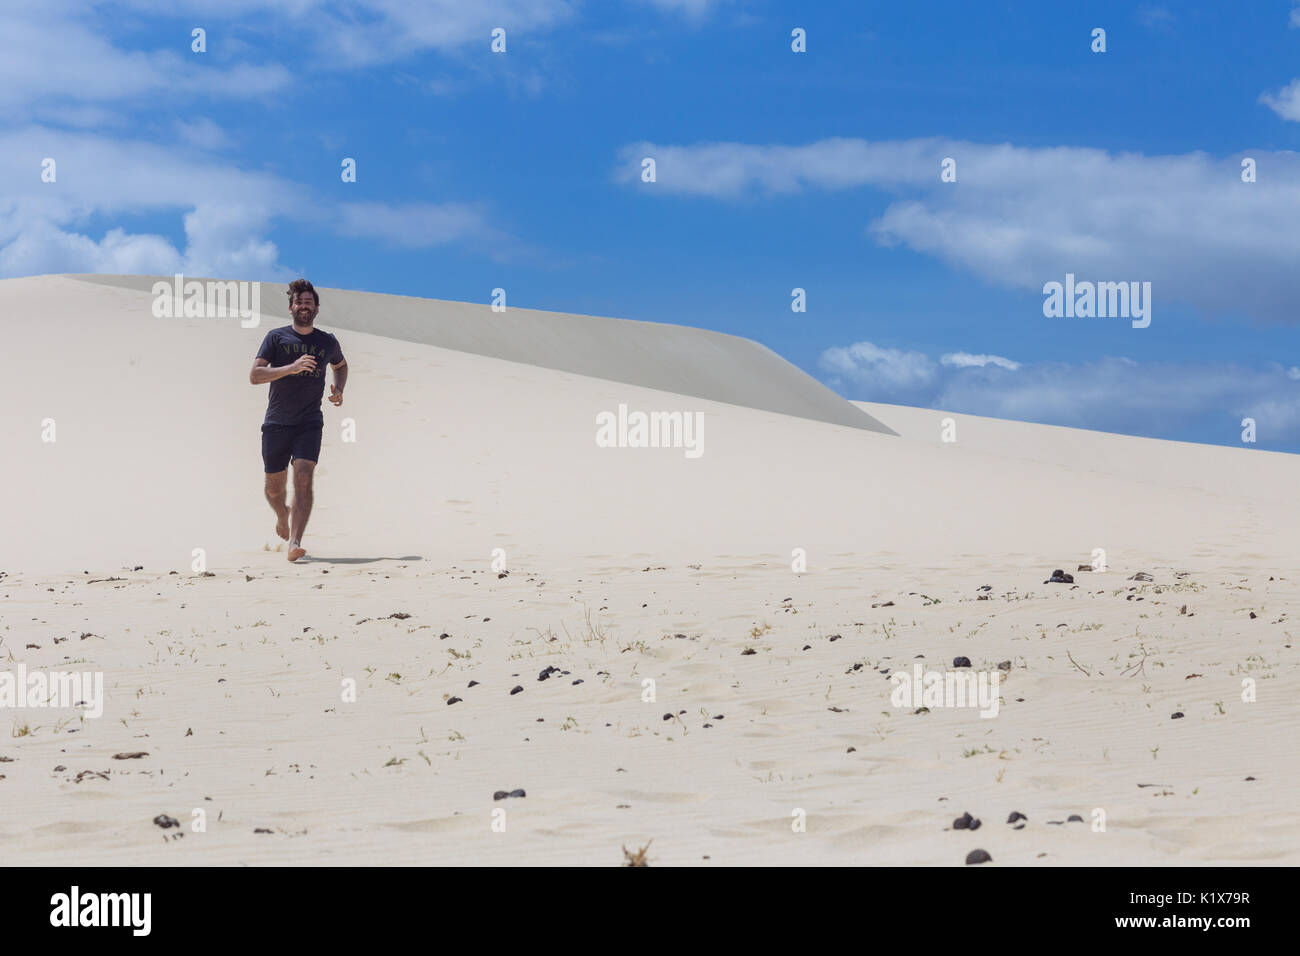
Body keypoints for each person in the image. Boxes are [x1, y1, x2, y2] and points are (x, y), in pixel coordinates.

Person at [249, 279, 348, 562]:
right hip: (276, 423)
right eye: (299, 302)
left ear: (316, 308)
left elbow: (340, 365)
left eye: (309, 303)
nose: (304, 307)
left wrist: (339, 388)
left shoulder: (327, 341)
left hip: (309, 422)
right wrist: (291, 368)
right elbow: (255, 376)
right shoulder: (276, 337)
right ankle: (282, 514)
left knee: (304, 478)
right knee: (274, 488)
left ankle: (295, 542)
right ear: (291, 307)